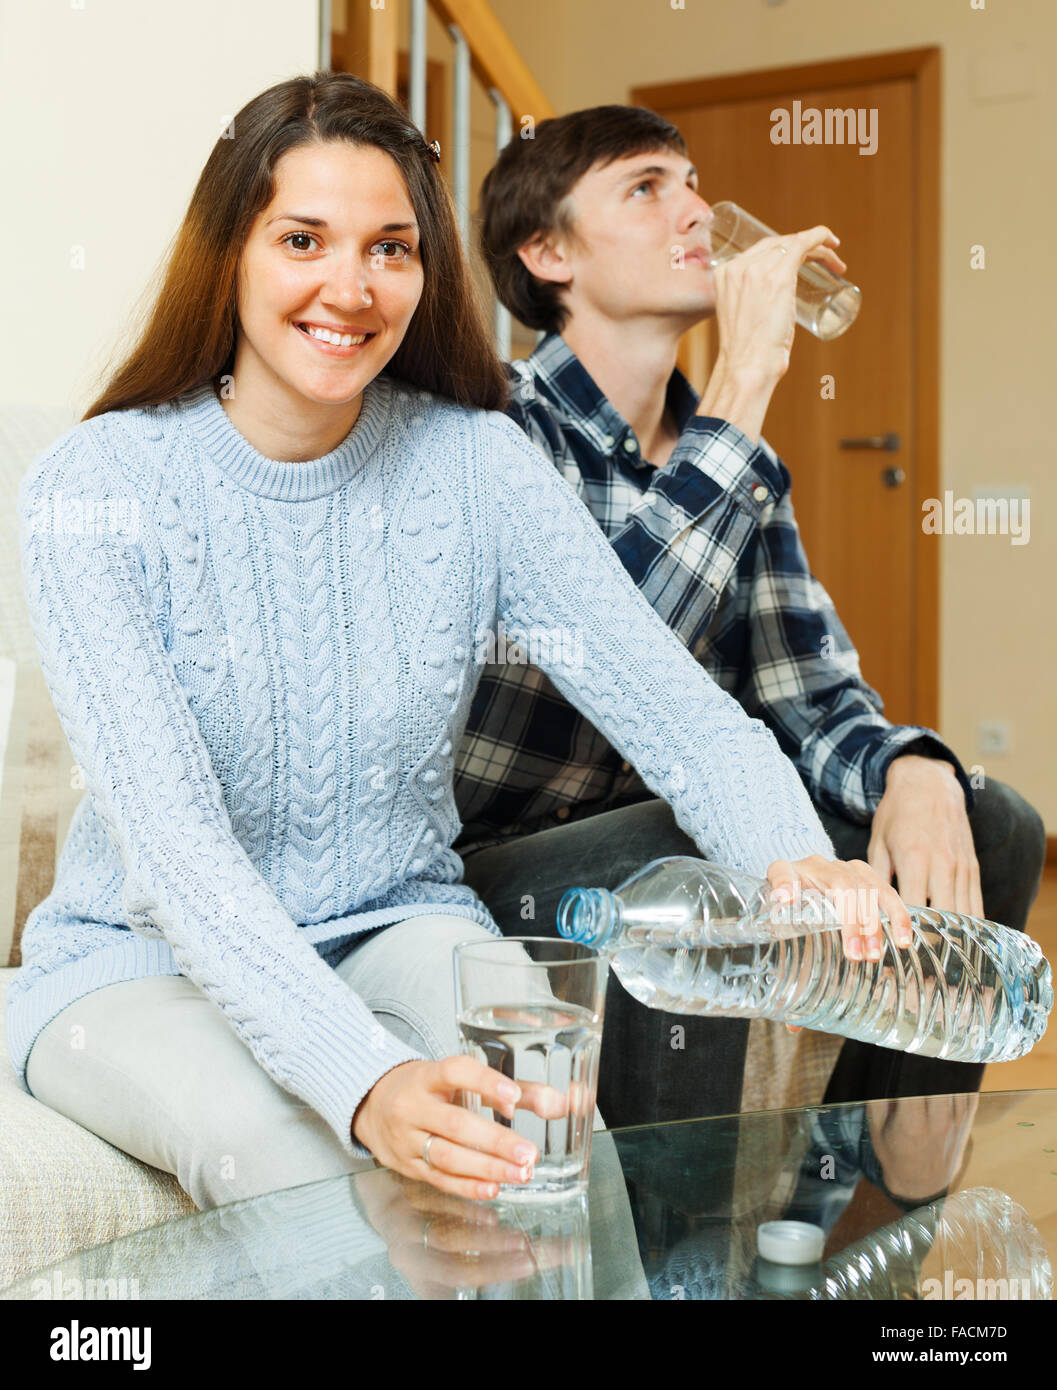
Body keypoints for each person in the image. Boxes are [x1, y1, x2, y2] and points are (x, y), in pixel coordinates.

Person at [7, 74, 909, 1212]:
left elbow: (668, 704)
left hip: (400, 916)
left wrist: (797, 858)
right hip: (141, 963)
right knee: (287, 1157)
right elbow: (181, 859)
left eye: (391, 248)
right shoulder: (97, 487)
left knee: (550, 1141)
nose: (352, 286)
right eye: (303, 239)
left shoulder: (473, 463)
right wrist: (367, 1078)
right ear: (229, 252)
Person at [455, 104, 1048, 1125]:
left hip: (681, 817)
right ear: (547, 252)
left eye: (691, 182)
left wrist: (910, 767)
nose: (694, 211)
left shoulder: (735, 464)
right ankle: (677, 1266)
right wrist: (747, 380)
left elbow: (810, 696)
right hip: (501, 856)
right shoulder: (492, 430)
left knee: (989, 817)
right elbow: (602, 670)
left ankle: (867, 1222)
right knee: (681, 855)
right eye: (646, 188)